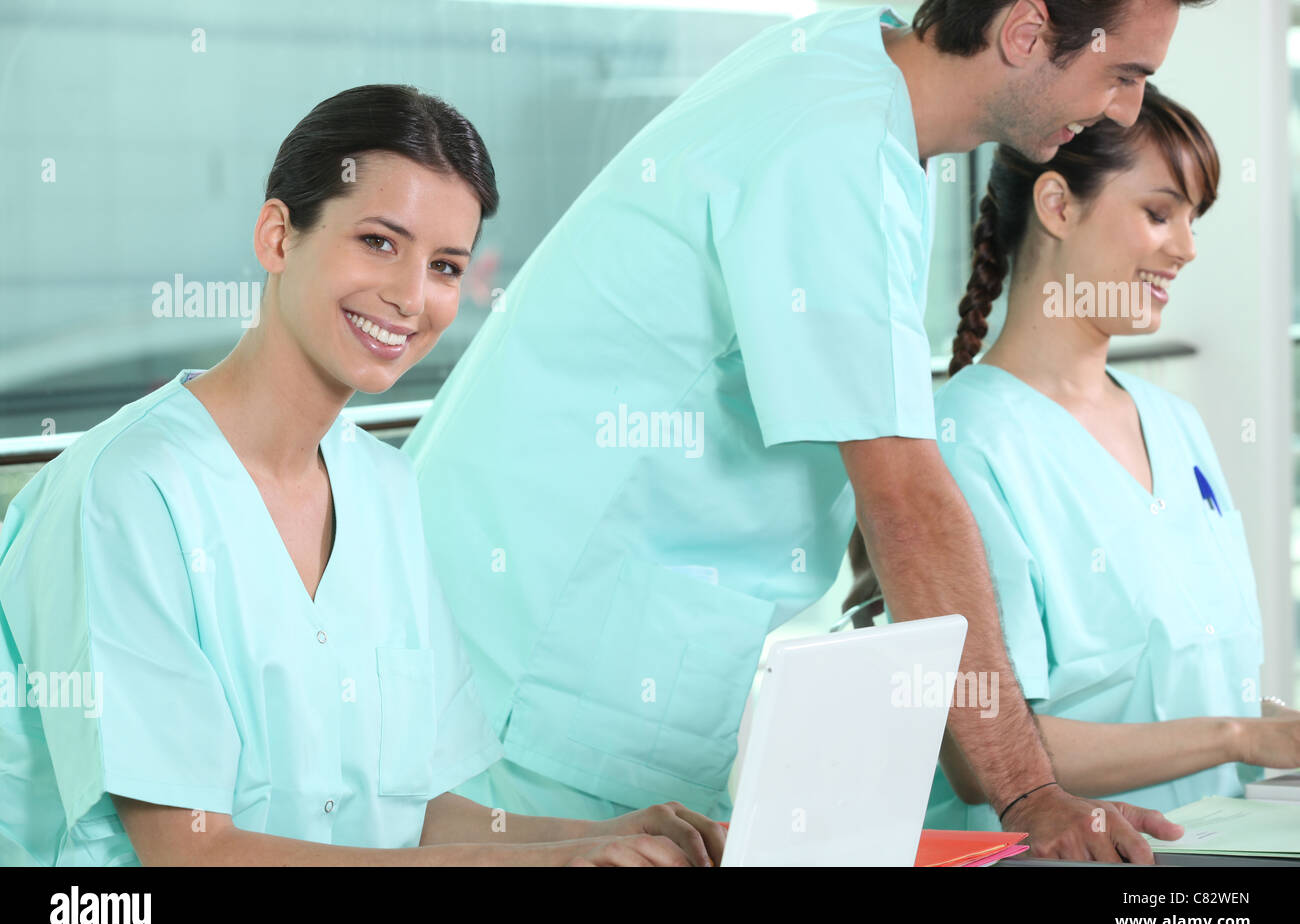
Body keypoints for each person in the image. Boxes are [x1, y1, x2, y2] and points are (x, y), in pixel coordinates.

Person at [403, 1, 1215, 861]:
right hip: (531, 678)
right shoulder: (839, 147)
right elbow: (902, 490)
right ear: (1024, 32)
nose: (1124, 109)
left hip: (578, 659)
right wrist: (1031, 792)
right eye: (1123, 74)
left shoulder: (843, 71)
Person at [0, 84, 724, 867]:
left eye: (445, 266)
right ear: (277, 237)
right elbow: (191, 854)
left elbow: (407, 816)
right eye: (380, 242)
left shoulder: (383, 488)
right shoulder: (131, 491)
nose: (411, 297)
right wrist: (539, 863)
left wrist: (606, 838)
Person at [919, 83, 1300, 829]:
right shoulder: (966, 443)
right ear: (1057, 206)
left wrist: (1273, 727)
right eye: (1159, 214)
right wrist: (1245, 737)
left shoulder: (1174, 423)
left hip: (1204, 855)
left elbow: (1182, 685)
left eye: (1192, 221)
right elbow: (979, 756)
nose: (1186, 249)